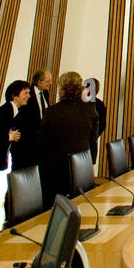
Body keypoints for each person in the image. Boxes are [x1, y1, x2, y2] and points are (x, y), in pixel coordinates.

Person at [37, 71, 100, 206]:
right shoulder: (90, 111)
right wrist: (91, 164)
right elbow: (92, 142)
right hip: (81, 171)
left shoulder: (51, 112)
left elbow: (41, 145)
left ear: (61, 89)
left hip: (54, 174)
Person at [14, 68, 51, 169]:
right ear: (39, 82)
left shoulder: (45, 93)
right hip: (26, 141)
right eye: (48, 81)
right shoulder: (26, 93)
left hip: (40, 140)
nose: (50, 83)